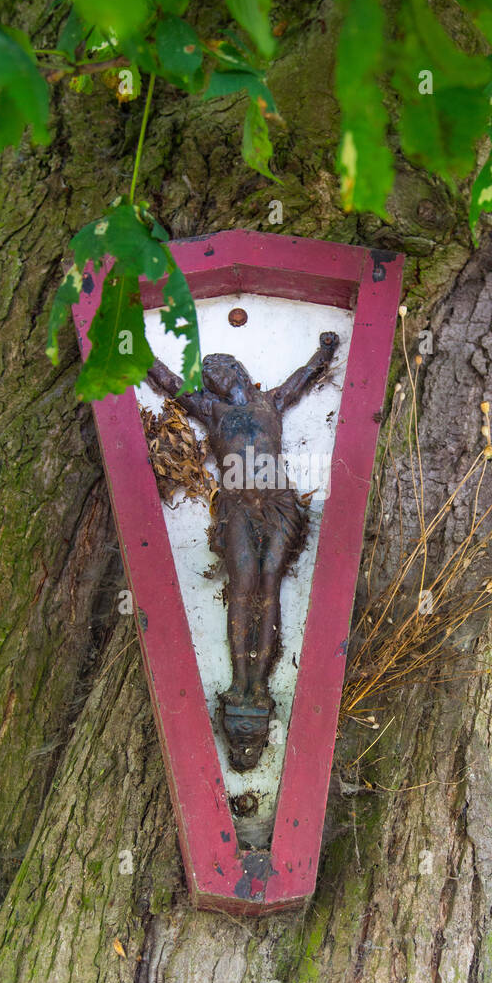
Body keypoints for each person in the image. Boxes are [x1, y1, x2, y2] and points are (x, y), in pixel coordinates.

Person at [147, 330, 339, 770]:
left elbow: (305, 377)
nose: (214, 379)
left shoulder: (269, 402)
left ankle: (261, 684)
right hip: (236, 505)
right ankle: (240, 682)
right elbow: (167, 380)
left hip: (276, 504)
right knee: (243, 585)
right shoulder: (211, 410)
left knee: (269, 580)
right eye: (209, 375)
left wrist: (325, 351)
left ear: (239, 372)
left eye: (220, 370)